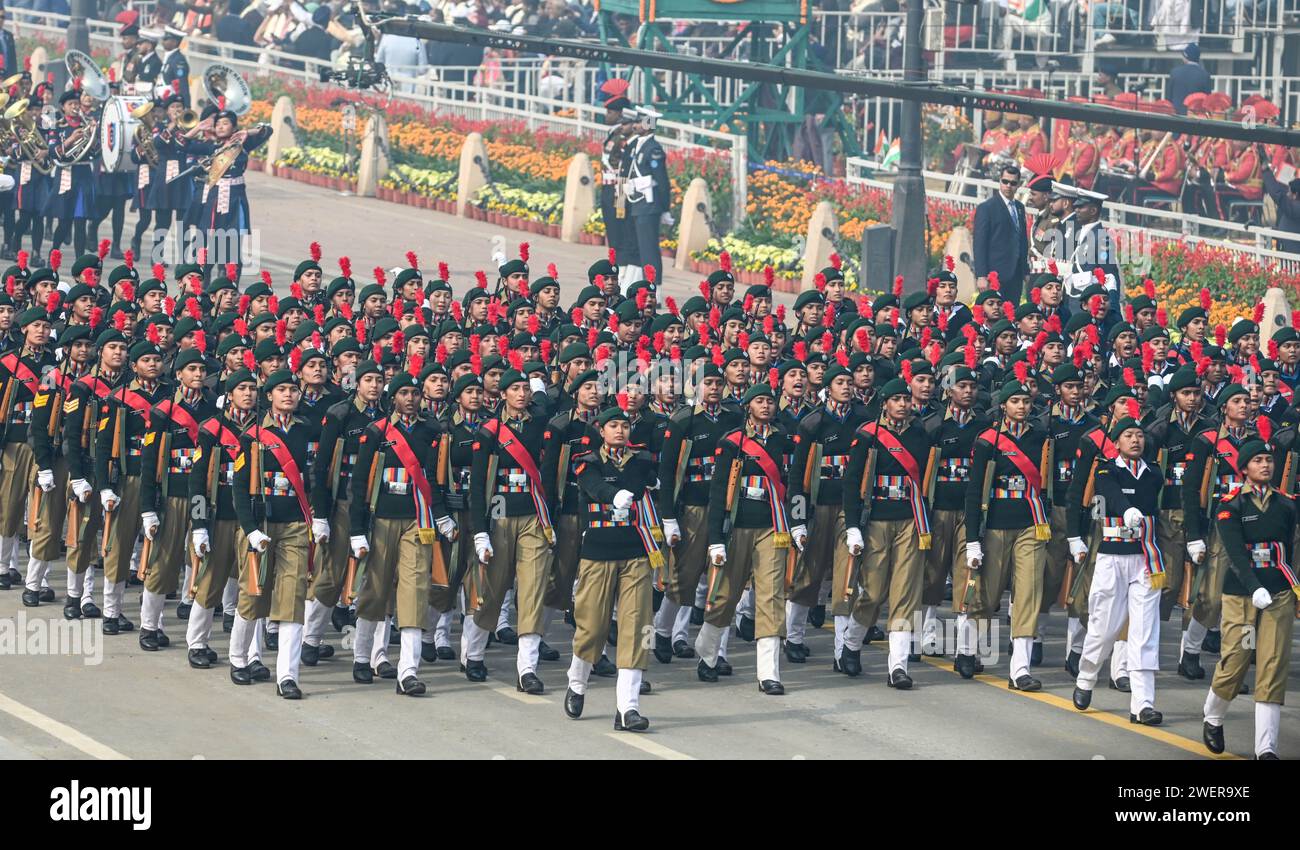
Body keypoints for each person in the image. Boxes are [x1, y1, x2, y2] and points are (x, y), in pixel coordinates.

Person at [564, 397, 660, 731]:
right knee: (591, 626)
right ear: (601, 430)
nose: (620, 430)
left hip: (636, 552)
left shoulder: (643, 459)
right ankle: (577, 682)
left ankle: (627, 708)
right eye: (613, 425)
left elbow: (651, 483)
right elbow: (592, 486)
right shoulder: (585, 461)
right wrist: (612, 495)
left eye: (625, 425)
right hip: (598, 552)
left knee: (637, 626)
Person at [1202, 427, 1296, 760]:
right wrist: (1254, 587)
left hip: (1279, 594)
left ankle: (1266, 748)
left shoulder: (1286, 504)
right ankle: (1213, 716)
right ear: (1244, 468)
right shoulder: (1232, 505)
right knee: (1238, 660)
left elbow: (1293, 548)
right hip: (1243, 595)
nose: (1265, 465)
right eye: (1258, 460)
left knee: (1272, 665)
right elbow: (1236, 553)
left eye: (1269, 460)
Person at [1070, 399, 1165, 725]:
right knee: (1104, 627)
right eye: (1128, 435)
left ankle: (1143, 704)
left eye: (1139, 435)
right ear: (1117, 442)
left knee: (1144, 631)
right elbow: (1110, 493)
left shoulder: (1154, 474)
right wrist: (1126, 510)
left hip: (1145, 559)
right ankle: (1086, 676)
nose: (1136, 440)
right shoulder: (1106, 469)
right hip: (1113, 556)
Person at [620, 107, 669, 295]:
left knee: (650, 250)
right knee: (641, 247)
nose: (636, 125)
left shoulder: (653, 149)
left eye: (640, 122)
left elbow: (662, 181)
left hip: (649, 205)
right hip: (639, 204)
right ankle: (640, 286)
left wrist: (665, 208)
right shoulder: (640, 145)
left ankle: (655, 290)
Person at [973, 163, 1029, 307]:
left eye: (1013, 183)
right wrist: (981, 275)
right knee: (995, 316)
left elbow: (1022, 240)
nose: (1008, 186)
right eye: (1005, 181)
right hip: (995, 275)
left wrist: (1025, 270)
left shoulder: (1020, 208)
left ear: (1018, 185)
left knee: (1012, 315)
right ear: (1000, 181)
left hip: (1015, 274)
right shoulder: (987, 208)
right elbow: (979, 244)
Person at [1261, 152, 1300, 255]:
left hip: (1293, 260)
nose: (1287, 194)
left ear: (1295, 194)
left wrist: (1265, 170)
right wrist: (1258, 228)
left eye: (1289, 192)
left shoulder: (1295, 209)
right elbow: (1286, 229)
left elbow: (1277, 194)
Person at [1168, 44, 1212, 116]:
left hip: (1176, 116)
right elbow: (1207, 101)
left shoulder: (1175, 72)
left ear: (1185, 57)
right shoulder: (1205, 75)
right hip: (1195, 117)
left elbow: (1168, 98)